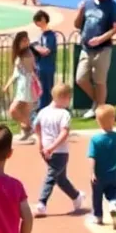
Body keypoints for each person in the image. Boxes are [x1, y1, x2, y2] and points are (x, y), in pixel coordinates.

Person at [32, 83, 84, 217]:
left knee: (57, 177)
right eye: (69, 98)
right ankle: (42, 203)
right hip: (58, 151)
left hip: (48, 150)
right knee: (54, 177)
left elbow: (37, 128)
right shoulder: (64, 114)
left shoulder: (43, 112)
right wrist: (51, 147)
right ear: (64, 97)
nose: (69, 101)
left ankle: (76, 197)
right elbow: (64, 133)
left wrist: (42, 144)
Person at [74, 0, 116, 119]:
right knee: (80, 78)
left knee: (100, 81)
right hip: (86, 48)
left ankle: (101, 111)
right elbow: (77, 25)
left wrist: (100, 39)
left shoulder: (111, 4)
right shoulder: (87, 3)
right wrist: (80, 11)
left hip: (103, 48)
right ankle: (97, 102)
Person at [87, 104, 116, 228]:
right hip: (113, 174)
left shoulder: (95, 139)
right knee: (113, 193)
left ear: (97, 121)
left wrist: (92, 172)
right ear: (114, 119)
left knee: (97, 196)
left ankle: (98, 216)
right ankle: (113, 205)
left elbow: (92, 156)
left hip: (99, 175)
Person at [4, 34, 37, 141]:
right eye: (23, 40)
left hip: (27, 85)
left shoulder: (27, 53)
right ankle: (25, 130)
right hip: (21, 85)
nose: (26, 42)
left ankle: (29, 127)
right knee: (23, 110)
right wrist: (8, 84)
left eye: (27, 40)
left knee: (13, 110)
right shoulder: (20, 54)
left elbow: (30, 70)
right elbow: (16, 72)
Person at [30, 11, 57, 111]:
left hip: (47, 67)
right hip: (39, 66)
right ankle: (41, 108)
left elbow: (46, 51)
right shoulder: (41, 35)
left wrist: (34, 46)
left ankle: (47, 109)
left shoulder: (50, 35)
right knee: (40, 89)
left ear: (43, 19)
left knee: (47, 90)